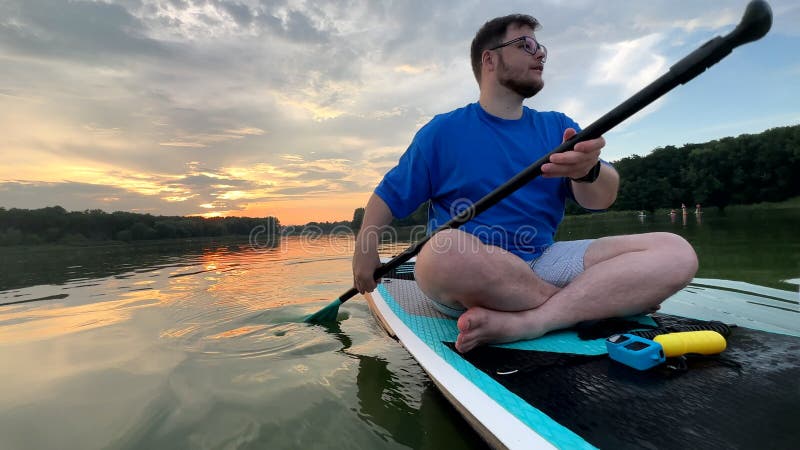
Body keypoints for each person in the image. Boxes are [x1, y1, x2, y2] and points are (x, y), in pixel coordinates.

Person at [352, 14, 698, 353]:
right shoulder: (442, 132)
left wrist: (587, 170)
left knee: (675, 251)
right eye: (526, 44)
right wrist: (365, 247)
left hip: (543, 260)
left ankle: (535, 320)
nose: (540, 53)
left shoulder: (558, 126)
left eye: (540, 46)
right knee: (441, 253)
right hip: (472, 273)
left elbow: (601, 199)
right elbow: (388, 197)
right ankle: (591, 303)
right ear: (490, 59)